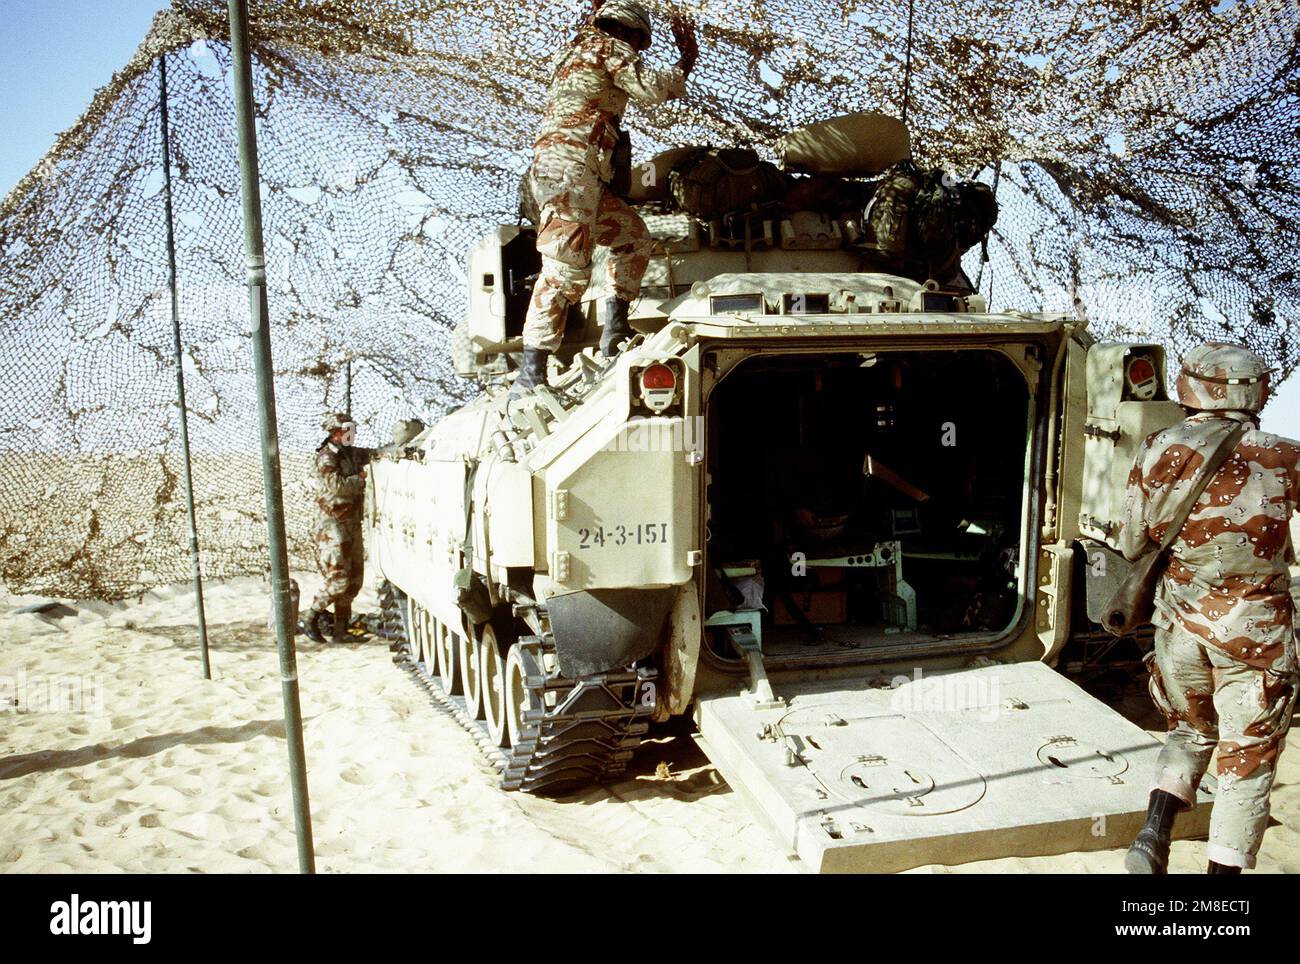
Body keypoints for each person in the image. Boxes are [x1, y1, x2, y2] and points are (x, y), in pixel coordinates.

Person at [1118, 342, 1299, 874]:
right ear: (1257, 390)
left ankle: (1153, 835)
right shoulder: (1286, 455)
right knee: (1246, 758)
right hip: (1255, 641)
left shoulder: (1156, 448)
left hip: (1179, 631)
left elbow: (1132, 543)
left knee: (1189, 732)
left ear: (1193, 387)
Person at [511, 0, 697, 398]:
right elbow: (651, 87)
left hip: (583, 173)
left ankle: (615, 333)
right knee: (565, 271)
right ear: (629, 33)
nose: (637, 49)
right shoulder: (607, 47)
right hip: (570, 171)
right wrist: (685, 62)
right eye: (639, 42)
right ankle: (530, 372)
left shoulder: (581, 46)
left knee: (633, 238)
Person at [304, 413, 375, 644]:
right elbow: (337, 486)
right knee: (339, 580)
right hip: (332, 525)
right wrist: (362, 478)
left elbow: (375, 454)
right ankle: (310, 617)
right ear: (335, 433)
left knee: (354, 581)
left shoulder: (352, 453)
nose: (351, 435)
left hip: (352, 523)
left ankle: (341, 630)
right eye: (347, 431)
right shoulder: (326, 457)